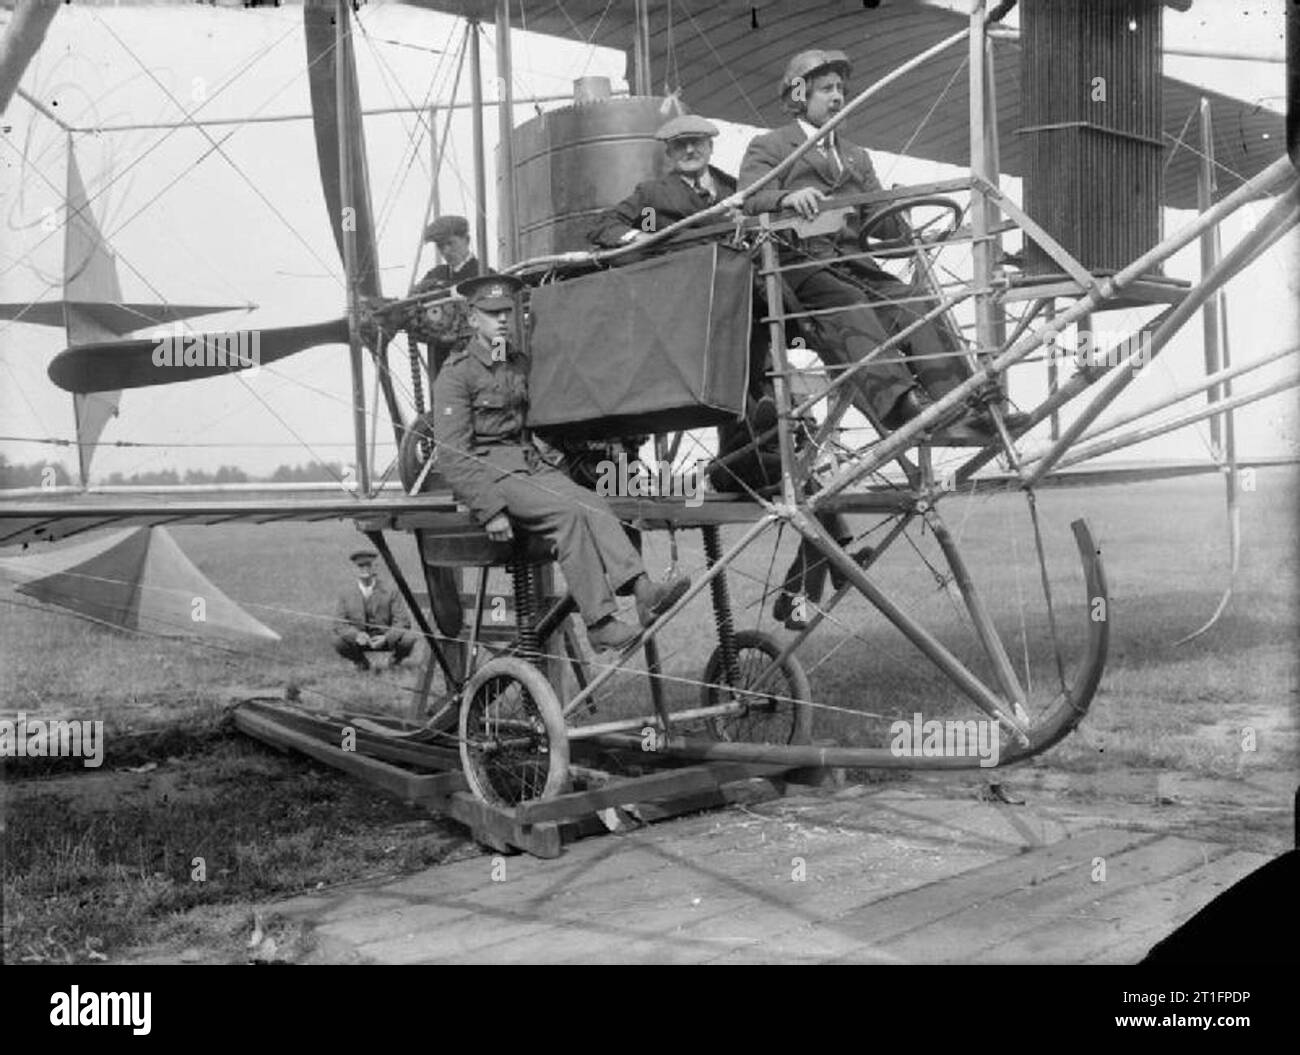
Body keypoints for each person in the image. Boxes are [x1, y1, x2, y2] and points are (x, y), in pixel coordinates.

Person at [739, 49, 1025, 440]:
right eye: (826, 89)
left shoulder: (856, 157)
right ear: (800, 95)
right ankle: (902, 402)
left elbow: (882, 224)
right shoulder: (770, 145)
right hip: (800, 269)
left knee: (913, 300)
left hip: (856, 266)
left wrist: (899, 211)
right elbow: (750, 199)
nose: (837, 97)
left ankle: (963, 405)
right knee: (849, 302)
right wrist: (786, 197)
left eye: (840, 89)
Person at [432, 274, 691, 652]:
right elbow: (452, 453)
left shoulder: (515, 363)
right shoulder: (457, 374)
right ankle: (600, 623)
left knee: (592, 502)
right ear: (473, 319)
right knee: (566, 515)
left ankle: (642, 589)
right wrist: (490, 510)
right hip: (491, 473)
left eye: (506, 312)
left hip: (529, 465)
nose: (502, 320)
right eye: (491, 314)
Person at [588, 114, 737, 248]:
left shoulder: (736, 188)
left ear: (711, 147)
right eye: (680, 145)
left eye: (696, 142)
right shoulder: (652, 195)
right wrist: (640, 237)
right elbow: (604, 225)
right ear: (669, 153)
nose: (689, 150)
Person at [332, 550, 421, 672]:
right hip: (360, 640)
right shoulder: (345, 593)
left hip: (385, 638)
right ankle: (360, 662)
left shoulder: (391, 591)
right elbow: (338, 623)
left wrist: (386, 638)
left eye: (368, 565)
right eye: (360, 566)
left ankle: (395, 660)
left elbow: (403, 621)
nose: (365, 569)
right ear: (354, 570)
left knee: (409, 638)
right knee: (337, 641)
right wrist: (356, 635)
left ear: (375, 568)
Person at [417, 214, 481, 290]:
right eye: (440, 246)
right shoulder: (436, 274)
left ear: (467, 240)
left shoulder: (484, 274)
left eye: (450, 243)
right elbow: (414, 294)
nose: (446, 251)